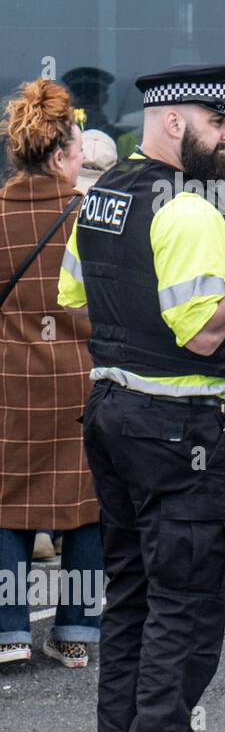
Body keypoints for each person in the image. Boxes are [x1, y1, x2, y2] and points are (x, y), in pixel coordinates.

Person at [57, 63, 225, 732]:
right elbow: (204, 335)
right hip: (179, 428)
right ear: (176, 123)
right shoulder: (192, 209)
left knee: (134, 599)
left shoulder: (103, 194)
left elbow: (74, 305)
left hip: (111, 413)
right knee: (187, 609)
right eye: (219, 122)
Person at [0, 80, 103, 668]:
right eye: (78, 149)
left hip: (10, 381)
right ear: (61, 153)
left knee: (6, 502)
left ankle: (10, 633)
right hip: (80, 378)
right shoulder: (90, 213)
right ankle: (75, 635)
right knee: (86, 505)